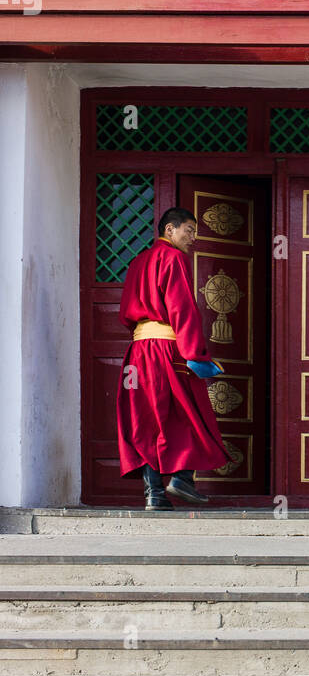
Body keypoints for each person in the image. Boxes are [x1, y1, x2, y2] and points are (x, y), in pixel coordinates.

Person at [115, 207, 230, 510]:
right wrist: (195, 353)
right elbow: (182, 308)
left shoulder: (138, 262)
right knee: (185, 411)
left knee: (146, 417)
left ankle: (154, 494)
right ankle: (181, 478)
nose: (193, 237)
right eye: (188, 230)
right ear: (169, 230)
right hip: (168, 348)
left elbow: (126, 311)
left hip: (138, 351)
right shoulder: (174, 258)